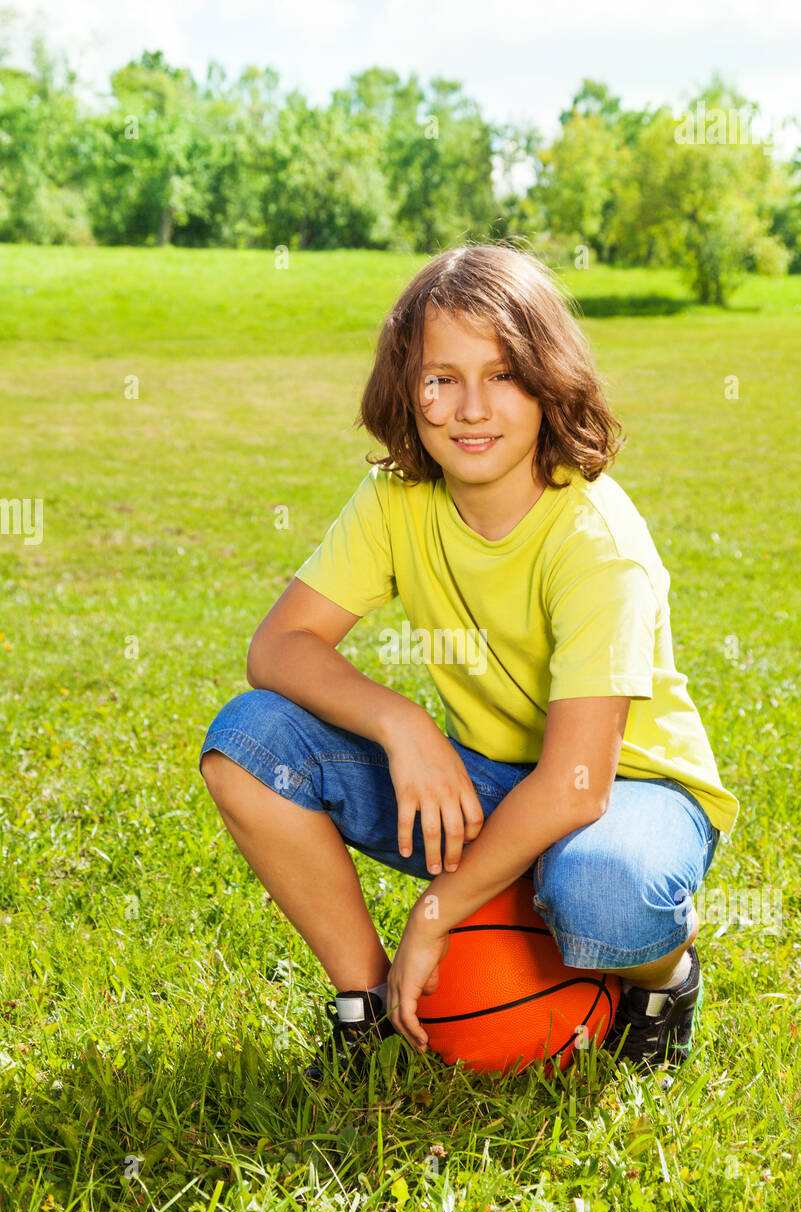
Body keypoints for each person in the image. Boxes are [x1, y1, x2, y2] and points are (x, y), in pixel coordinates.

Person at [198, 241, 739, 1080]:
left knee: (602, 890)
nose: (471, 408)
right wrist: (401, 721)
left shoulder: (597, 542)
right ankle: (369, 1010)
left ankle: (665, 980)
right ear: (407, 392)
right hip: (488, 780)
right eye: (440, 379)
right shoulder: (396, 499)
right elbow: (278, 646)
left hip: (626, 791)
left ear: (548, 382)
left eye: (503, 375)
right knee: (251, 742)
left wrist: (437, 911)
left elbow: (576, 785)